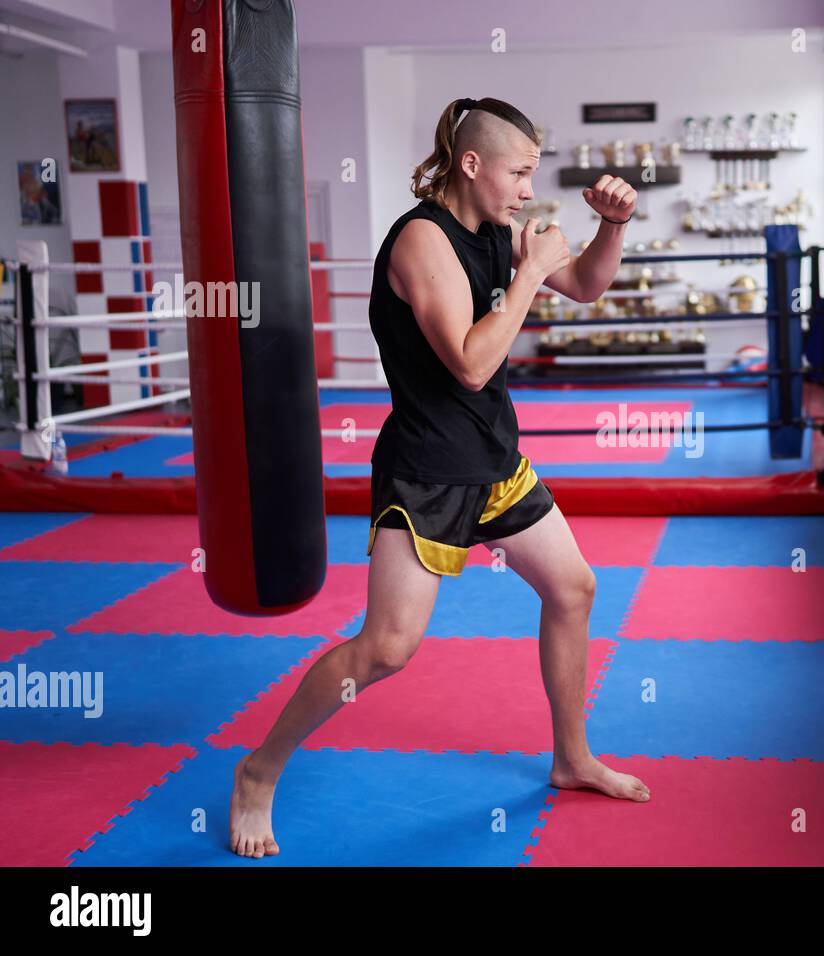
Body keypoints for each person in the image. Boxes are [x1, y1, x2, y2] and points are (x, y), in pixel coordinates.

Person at [229, 96, 646, 859]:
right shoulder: (422, 240)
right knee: (386, 649)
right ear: (472, 164)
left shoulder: (495, 233)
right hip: (426, 470)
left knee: (574, 587)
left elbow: (586, 286)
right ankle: (259, 770)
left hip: (495, 463)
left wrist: (610, 226)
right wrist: (529, 276)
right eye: (519, 172)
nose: (528, 188)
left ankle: (572, 757)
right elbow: (471, 360)